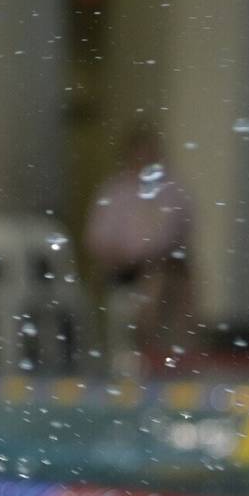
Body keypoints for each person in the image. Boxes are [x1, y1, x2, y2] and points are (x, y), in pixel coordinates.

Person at [85, 124, 195, 359]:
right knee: (145, 282)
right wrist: (124, 258)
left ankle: (155, 346)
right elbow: (98, 241)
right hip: (124, 269)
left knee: (161, 277)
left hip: (163, 268)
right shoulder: (114, 192)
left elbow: (174, 237)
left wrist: (150, 258)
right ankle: (136, 349)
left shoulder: (172, 192)